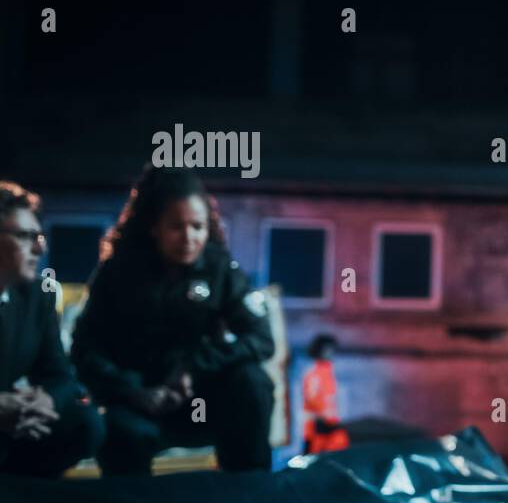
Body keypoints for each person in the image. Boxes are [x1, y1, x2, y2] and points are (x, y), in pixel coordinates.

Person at [71, 166, 275, 476]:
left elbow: (261, 339)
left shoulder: (221, 270)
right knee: (119, 430)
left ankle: (249, 498)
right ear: (154, 226)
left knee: (253, 381)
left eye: (198, 226)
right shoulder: (118, 274)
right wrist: (133, 390)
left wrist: (193, 369)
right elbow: (85, 349)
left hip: (200, 404)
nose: (189, 238)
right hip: (138, 406)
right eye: (176, 227)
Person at [0, 181, 104, 478]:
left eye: (39, 236)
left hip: (15, 428)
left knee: (84, 422)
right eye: (24, 236)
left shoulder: (37, 296)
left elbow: (60, 376)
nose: (39, 247)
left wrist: (42, 401)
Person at [301, 333, 349, 455]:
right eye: (327, 350)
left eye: (332, 350)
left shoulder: (330, 371)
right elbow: (311, 397)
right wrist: (324, 415)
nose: (330, 353)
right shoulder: (313, 371)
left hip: (331, 425)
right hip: (317, 427)